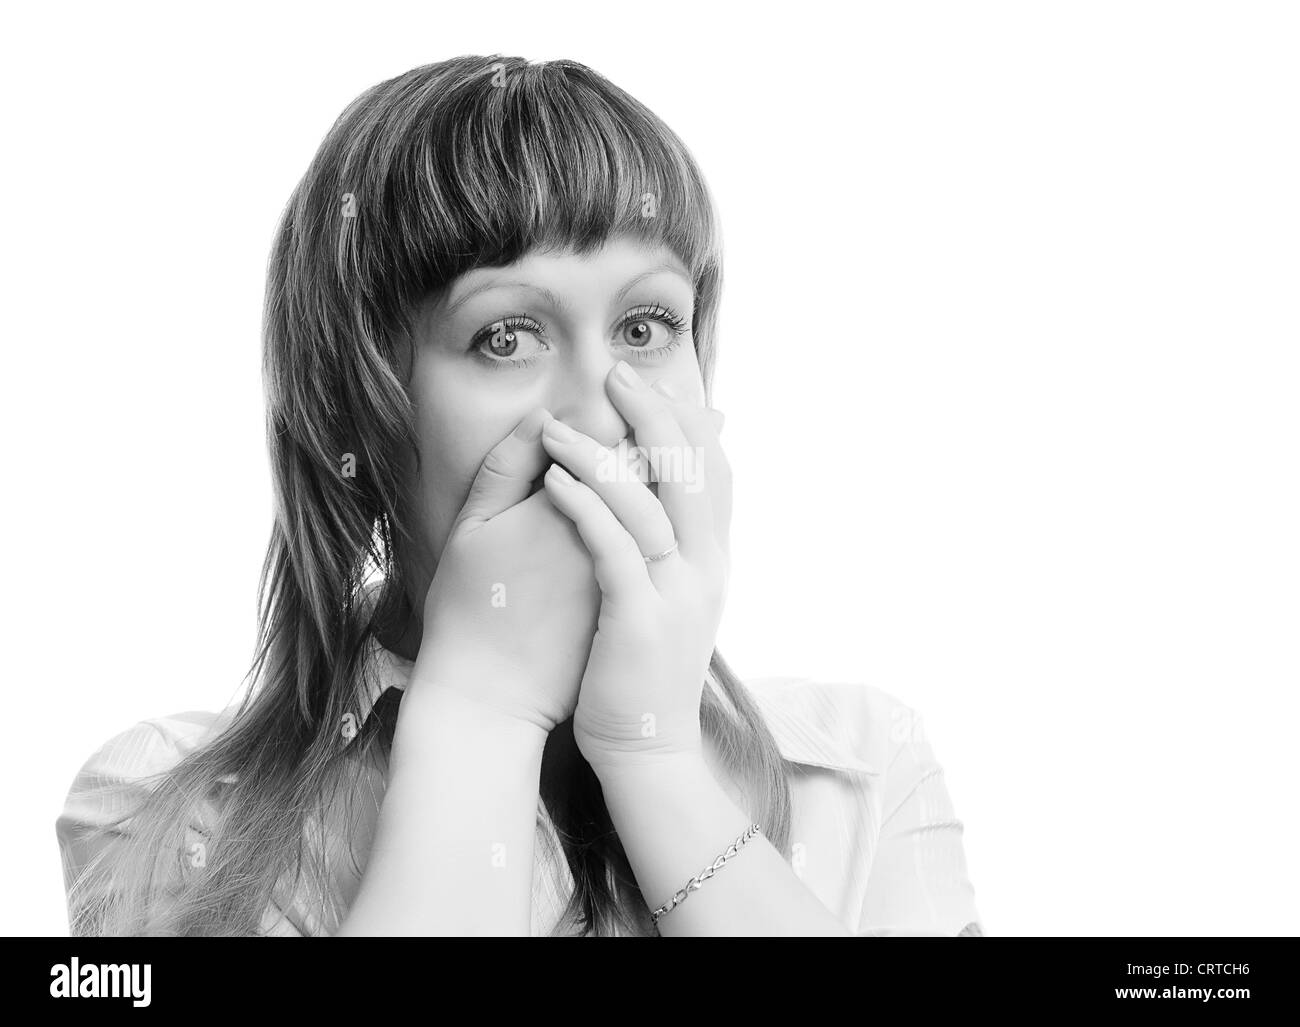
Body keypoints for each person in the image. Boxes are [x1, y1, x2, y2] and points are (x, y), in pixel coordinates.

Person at [55, 54, 983, 937]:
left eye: (647, 324)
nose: (599, 411)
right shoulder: (162, 813)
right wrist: (479, 712)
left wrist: (656, 762)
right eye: (506, 336)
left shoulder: (863, 771)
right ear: (362, 407)